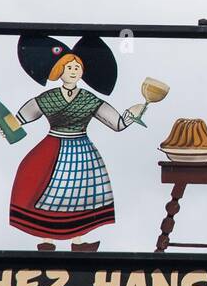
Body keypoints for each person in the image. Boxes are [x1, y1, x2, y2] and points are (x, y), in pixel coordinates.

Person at [8, 51, 143, 251]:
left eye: (77, 68)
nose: (73, 71)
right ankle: (47, 241)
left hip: (81, 150)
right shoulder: (49, 97)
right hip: (53, 146)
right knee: (51, 194)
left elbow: (117, 123)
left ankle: (78, 241)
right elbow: (21, 117)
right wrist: (8, 126)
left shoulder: (88, 98)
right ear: (59, 71)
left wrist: (134, 113)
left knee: (80, 196)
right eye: (69, 67)